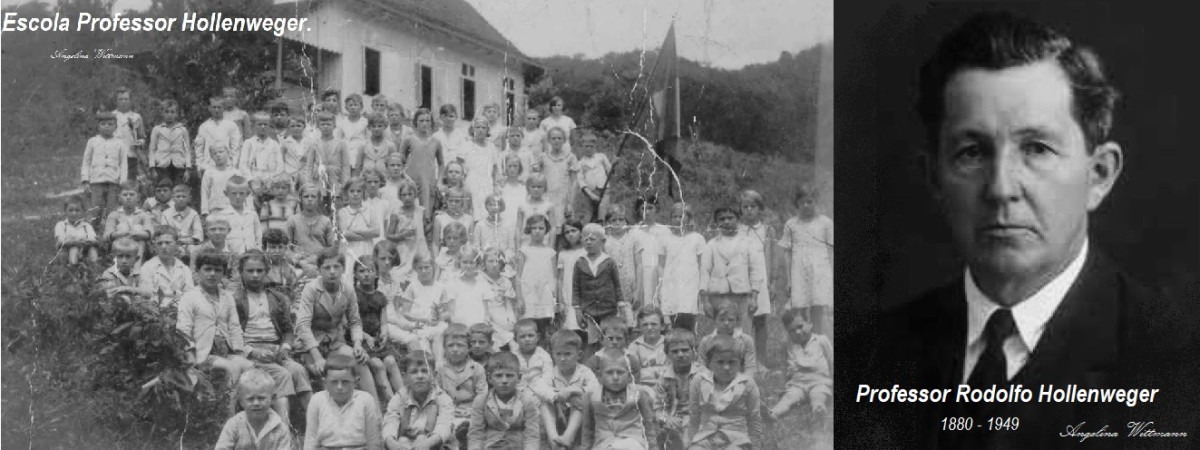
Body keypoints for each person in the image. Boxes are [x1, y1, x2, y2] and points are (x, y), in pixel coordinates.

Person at [868, 11, 1200, 447]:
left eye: (1037, 149)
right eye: (972, 152)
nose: (1001, 189)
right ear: (934, 179)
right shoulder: (863, 361)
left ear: (1098, 175)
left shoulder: (1182, 372)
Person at [233, 250, 308, 425]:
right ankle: (283, 430)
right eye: (250, 271)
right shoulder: (235, 300)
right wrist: (253, 351)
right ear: (241, 272)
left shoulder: (277, 298)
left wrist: (285, 348)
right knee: (283, 374)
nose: (255, 275)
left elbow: (288, 330)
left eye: (259, 270)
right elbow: (232, 333)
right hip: (250, 352)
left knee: (298, 370)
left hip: (275, 349)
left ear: (267, 271)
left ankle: (316, 424)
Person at [294, 249, 379, 401]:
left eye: (336, 267)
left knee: (360, 362)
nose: (332, 272)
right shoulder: (311, 289)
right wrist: (317, 357)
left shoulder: (347, 289)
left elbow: (355, 321)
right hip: (310, 347)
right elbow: (303, 326)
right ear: (319, 270)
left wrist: (357, 344)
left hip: (334, 343)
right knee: (323, 372)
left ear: (343, 269)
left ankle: (375, 411)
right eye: (327, 267)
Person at [177, 248, 256, 406]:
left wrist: (240, 352)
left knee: (252, 369)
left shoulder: (227, 297)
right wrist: (191, 360)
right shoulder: (190, 297)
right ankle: (227, 414)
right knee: (231, 369)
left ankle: (247, 412)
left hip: (226, 351)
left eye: (217, 270)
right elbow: (182, 331)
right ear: (198, 271)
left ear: (223, 274)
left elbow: (234, 327)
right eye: (207, 269)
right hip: (203, 353)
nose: (212, 274)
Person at [687, 334, 762, 450]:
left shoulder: (747, 384)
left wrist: (755, 446)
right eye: (720, 362)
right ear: (709, 363)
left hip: (737, 440)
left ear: (740, 363)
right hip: (705, 438)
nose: (726, 367)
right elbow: (694, 416)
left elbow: (754, 419)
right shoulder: (699, 381)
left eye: (732, 362)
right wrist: (690, 442)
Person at [699, 207, 764, 337]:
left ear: (738, 220)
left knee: (743, 334)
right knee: (720, 333)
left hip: (742, 295)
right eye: (722, 219)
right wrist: (705, 301)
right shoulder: (712, 244)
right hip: (718, 296)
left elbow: (755, 271)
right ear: (716, 223)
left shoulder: (748, 242)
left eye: (730, 218)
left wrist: (754, 297)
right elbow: (705, 272)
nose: (726, 221)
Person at [779, 187, 833, 336]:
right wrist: (789, 280)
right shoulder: (791, 224)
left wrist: (830, 273)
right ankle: (801, 341)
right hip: (799, 272)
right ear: (797, 204)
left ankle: (817, 340)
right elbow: (787, 253)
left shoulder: (825, 223)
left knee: (817, 308)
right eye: (802, 202)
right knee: (799, 308)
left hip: (819, 272)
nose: (806, 205)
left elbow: (831, 250)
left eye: (810, 202)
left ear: (816, 202)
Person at [532, 329, 598, 449]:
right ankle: (553, 439)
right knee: (544, 404)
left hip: (579, 418)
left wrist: (574, 390)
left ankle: (568, 436)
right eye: (558, 354)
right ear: (552, 354)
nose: (562, 358)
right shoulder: (551, 373)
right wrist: (556, 397)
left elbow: (595, 388)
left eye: (567, 354)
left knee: (578, 400)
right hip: (559, 414)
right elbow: (538, 387)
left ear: (579, 355)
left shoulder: (584, 372)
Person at [304, 353, 384, 450]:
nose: (339, 387)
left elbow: (373, 440)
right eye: (334, 382)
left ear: (356, 382)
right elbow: (311, 439)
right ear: (325, 382)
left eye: (345, 382)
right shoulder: (317, 400)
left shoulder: (365, 400)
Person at [581, 351, 659, 450]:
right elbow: (587, 429)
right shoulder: (591, 396)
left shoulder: (639, 394)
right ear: (600, 376)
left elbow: (649, 424)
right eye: (609, 372)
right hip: (604, 444)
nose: (615, 377)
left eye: (620, 372)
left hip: (632, 443)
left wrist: (653, 447)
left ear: (629, 376)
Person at [353, 255, 405, 401]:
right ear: (355, 274)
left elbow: (383, 322)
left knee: (391, 362)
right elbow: (351, 323)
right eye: (362, 271)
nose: (366, 274)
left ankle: (405, 399)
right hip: (361, 339)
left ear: (376, 274)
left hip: (377, 339)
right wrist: (366, 337)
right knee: (378, 365)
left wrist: (384, 333)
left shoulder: (380, 297)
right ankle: (392, 402)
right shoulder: (353, 296)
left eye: (370, 270)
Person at [468, 351, 542, 449]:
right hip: (491, 445)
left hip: (518, 445)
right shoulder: (481, 401)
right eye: (498, 376)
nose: (504, 381)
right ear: (489, 378)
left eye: (509, 375)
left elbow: (531, 435)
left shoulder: (527, 401)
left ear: (519, 377)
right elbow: (476, 434)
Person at [382, 349, 454, 450]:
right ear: (405, 376)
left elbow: (444, 425)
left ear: (434, 375)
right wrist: (391, 442)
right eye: (414, 372)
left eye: (425, 371)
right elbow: (391, 420)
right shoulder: (400, 397)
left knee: (422, 438)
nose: (420, 376)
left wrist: (428, 444)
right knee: (403, 440)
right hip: (404, 444)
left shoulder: (442, 398)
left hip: (433, 444)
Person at [767, 310, 831, 421]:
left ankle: (818, 408)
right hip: (797, 384)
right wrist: (785, 385)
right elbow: (784, 367)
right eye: (792, 331)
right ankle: (774, 413)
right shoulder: (788, 345)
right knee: (788, 397)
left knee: (818, 394)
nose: (797, 332)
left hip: (819, 382)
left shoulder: (821, 341)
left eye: (800, 327)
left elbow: (831, 360)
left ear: (809, 323)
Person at [736, 190, 775, 368]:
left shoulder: (767, 230)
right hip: (741, 279)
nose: (749, 210)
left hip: (761, 279)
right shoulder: (736, 229)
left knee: (760, 320)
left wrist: (771, 282)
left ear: (760, 208)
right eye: (745, 207)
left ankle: (761, 361)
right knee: (742, 321)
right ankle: (743, 360)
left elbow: (770, 256)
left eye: (753, 206)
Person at [389, 254, 449, 361]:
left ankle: (439, 365)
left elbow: (448, 312)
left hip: (435, 325)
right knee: (423, 346)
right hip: (418, 325)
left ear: (433, 267)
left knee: (438, 338)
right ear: (415, 269)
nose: (424, 271)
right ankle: (427, 364)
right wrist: (423, 319)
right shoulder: (413, 287)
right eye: (420, 268)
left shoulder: (440, 288)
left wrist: (438, 317)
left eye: (427, 267)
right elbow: (405, 313)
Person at [215, 369, 295, 450]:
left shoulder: (280, 428)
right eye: (250, 399)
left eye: (261, 398)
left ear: (272, 399)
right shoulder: (234, 425)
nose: (256, 403)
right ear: (241, 401)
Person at [572, 223, 623, 348]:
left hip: (608, 309)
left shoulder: (609, 261)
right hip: (589, 311)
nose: (588, 242)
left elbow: (617, 285)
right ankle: (595, 359)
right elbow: (576, 287)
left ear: (603, 241)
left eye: (592, 239)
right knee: (593, 341)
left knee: (609, 338)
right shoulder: (580, 262)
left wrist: (621, 306)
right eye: (586, 239)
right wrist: (577, 310)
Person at [438, 323, 489, 448]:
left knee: (475, 432)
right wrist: (448, 410)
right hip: (447, 412)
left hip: (470, 412)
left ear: (469, 347)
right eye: (450, 345)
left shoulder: (477, 368)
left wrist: (473, 411)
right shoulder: (439, 369)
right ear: (444, 347)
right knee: (445, 432)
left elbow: (482, 394)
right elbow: (437, 393)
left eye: (460, 345)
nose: (455, 349)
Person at [660, 203, 705, 332]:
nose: (677, 219)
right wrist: (660, 285)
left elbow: (702, 265)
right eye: (674, 216)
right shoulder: (665, 238)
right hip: (671, 285)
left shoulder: (697, 238)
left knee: (689, 317)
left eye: (681, 216)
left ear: (688, 218)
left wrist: (702, 286)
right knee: (671, 319)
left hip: (691, 285)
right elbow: (661, 265)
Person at [658, 328, 706, 450]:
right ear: (667, 354)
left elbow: (709, 405)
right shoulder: (664, 377)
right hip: (673, 419)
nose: (680, 354)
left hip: (697, 420)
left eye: (685, 350)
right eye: (675, 351)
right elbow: (656, 406)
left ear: (693, 351)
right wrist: (665, 417)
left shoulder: (703, 375)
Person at [80, 111, 129, 224]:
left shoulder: (120, 143)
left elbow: (123, 163)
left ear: (115, 126)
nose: (106, 126)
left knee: (112, 209)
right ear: (98, 126)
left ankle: (110, 229)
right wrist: (85, 180)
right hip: (96, 180)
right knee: (96, 208)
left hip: (113, 181)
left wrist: (122, 181)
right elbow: (86, 162)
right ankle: (94, 229)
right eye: (103, 124)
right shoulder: (92, 141)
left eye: (110, 124)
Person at [516, 214, 557, 340]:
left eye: (541, 228)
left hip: (545, 295)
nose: (537, 231)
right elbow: (518, 276)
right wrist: (519, 299)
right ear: (529, 229)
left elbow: (554, 277)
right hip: (529, 295)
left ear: (546, 230)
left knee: (544, 329)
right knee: (529, 327)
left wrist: (555, 299)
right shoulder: (524, 251)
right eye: (534, 228)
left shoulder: (550, 252)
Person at [400, 108, 445, 213]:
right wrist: (405, 176)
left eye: (427, 120)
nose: (424, 123)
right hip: (411, 181)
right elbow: (400, 161)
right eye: (421, 121)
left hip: (429, 182)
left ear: (431, 123)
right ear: (416, 122)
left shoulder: (436, 141)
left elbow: (441, 164)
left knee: (427, 211)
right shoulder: (408, 140)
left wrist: (439, 181)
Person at [138, 225, 195, 307]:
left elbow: (190, 296)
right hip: (156, 310)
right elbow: (147, 297)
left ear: (177, 244)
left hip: (181, 310)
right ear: (154, 246)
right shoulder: (147, 268)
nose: (163, 247)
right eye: (159, 243)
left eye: (168, 243)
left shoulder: (184, 269)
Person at [697, 301, 757, 377]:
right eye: (721, 319)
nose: (726, 323)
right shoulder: (706, 341)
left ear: (737, 321)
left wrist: (742, 381)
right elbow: (701, 366)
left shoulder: (746, 341)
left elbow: (750, 367)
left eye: (731, 320)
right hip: (711, 379)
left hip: (738, 379)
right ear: (715, 320)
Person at [386, 178, 429, 282]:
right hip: (403, 249)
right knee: (401, 274)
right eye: (404, 195)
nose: (407, 198)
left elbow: (426, 231)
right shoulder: (396, 213)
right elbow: (389, 235)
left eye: (410, 194)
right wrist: (401, 236)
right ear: (399, 196)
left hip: (419, 247)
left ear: (415, 195)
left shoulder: (421, 211)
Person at [480, 247, 521, 350]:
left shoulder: (505, 281)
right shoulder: (480, 279)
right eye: (490, 261)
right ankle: (509, 341)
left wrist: (511, 321)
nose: (494, 264)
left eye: (497, 262)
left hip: (500, 311)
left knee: (509, 326)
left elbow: (508, 305)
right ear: (484, 263)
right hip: (485, 311)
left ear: (502, 264)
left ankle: (503, 345)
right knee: (488, 324)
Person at [603, 205, 641, 311]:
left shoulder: (633, 239)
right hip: (611, 286)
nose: (617, 223)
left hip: (630, 286)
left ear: (626, 221)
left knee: (631, 315)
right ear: (608, 223)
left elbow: (639, 265)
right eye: (613, 220)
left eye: (621, 219)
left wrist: (638, 291)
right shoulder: (605, 241)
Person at [303, 111, 350, 198]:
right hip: (319, 180)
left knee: (335, 201)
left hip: (336, 179)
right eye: (323, 124)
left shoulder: (341, 143)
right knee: (321, 201)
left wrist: (345, 184)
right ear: (318, 126)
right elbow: (309, 165)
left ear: (334, 126)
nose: (325, 127)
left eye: (328, 124)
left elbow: (345, 166)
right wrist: (308, 183)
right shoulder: (314, 143)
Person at [147, 99, 193, 187]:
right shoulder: (157, 129)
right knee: (164, 188)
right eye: (167, 112)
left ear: (176, 114)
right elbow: (152, 150)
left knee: (178, 188)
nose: (169, 115)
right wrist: (152, 168)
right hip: (162, 165)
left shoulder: (182, 130)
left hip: (179, 165)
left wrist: (188, 169)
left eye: (172, 112)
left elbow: (187, 150)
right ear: (162, 113)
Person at [104, 181, 154, 260]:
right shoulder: (114, 215)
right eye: (125, 195)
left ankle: (136, 264)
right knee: (122, 227)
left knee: (138, 229)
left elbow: (150, 233)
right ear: (119, 198)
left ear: (138, 197)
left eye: (131, 194)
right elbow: (107, 235)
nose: (128, 197)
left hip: (138, 245)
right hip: (120, 243)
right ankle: (119, 264)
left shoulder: (143, 215)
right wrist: (120, 234)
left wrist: (135, 234)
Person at [238, 112, 284, 195]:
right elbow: (243, 165)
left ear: (269, 126)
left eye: (265, 124)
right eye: (259, 124)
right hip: (253, 182)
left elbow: (280, 166)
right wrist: (251, 181)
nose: (263, 127)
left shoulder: (274, 144)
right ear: (254, 126)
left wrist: (271, 180)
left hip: (271, 182)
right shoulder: (248, 143)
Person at [194, 96, 242, 175]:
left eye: (219, 107)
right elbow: (199, 149)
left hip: (227, 167)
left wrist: (234, 165)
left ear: (224, 108)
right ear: (210, 108)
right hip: (208, 167)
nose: (216, 110)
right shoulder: (204, 127)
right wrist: (200, 166)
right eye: (214, 107)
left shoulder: (231, 125)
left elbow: (235, 148)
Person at [462, 117, 498, 219]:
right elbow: (460, 167)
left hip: (487, 183)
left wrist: (495, 185)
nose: (480, 130)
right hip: (471, 183)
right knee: (472, 212)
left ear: (487, 130)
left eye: (483, 127)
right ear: (472, 129)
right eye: (477, 127)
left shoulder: (492, 147)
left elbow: (495, 169)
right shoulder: (466, 146)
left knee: (486, 211)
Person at [540, 127, 578, 224]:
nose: (556, 141)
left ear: (564, 140)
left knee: (563, 225)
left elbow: (574, 181)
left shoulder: (570, 157)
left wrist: (570, 203)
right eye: (553, 138)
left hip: (563, 198)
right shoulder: (543, 157)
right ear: (549, 140)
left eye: (559, 138)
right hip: (547, 197)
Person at [338, 177, 381, 260]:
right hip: (349, 251)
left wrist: (354, 230)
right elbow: (345, 234)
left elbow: (376, 232)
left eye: (359, 191)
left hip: (366, 249)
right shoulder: (343, 212)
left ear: (363, 192)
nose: (355, 194)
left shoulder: (370, 210)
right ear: (346, 193)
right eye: (352, 191)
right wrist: (368, 235)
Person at [628, 309, 671, 390]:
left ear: (662, 326)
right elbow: (634, 374)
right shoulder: (635, 346)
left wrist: (645, 371)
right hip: (643, 387)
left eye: (654, 324)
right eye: (645, 325)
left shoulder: (669, 343)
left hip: (667, 386)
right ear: (639, 327)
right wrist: (659, 372)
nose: (649, 327)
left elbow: (672, 370)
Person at [555, 220, 586, 332]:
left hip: (585, 295)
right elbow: (559, 279)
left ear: (581, 232)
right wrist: (560, 301)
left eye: (574, 230)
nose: (570, 234)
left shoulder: (587, 251)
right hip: (569, 295)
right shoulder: (563, 254)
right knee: (571, 329)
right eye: (567, 232)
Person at [575, 131, 611, 224]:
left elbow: (610, 171)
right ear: (582, 147)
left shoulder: (601, 157)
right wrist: (591, 195)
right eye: (586, 146)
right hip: (590, 192)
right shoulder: (580, 163)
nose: (589, 149)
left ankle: (601, 224)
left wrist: (614, 164)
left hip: (604, 189)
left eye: (591, 146)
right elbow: (581, 181)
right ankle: (586, 227)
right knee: (588, 213)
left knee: (602, 207)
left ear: (595, 146)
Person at [510, 318, 554, 393]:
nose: (527, 339)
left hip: (541, 391)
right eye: (522, 336)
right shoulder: (512, 356)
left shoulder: (544, 355)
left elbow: (548, 376)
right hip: (519, 392)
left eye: (530, 335)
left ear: (538, 337)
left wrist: (537, 390)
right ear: (515, 339)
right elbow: (511, 377)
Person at [514, 173, 558, 247]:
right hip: (526, 244)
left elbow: (553, 228)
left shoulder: (549, 206)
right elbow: (518, 228)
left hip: (544, 244)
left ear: (544, 189)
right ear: (528, 188)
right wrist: (518, 248)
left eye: (539, 187)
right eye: (533, 187)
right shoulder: (522, 206)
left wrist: (551, 247)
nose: (536, 189)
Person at [98, 237, 148, 301]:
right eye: (120, 256)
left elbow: (149, 293)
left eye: (128, 257)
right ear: (114, 257)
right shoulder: (109, 274)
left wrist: (128, 289)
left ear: (136, 259)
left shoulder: (139, 273)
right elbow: (108, 295)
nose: (124, 261)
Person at [55, 195, 100, 265]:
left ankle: (94, 265)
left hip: (84, 250)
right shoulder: (61, 225)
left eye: (77, 210)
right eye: (70, 210)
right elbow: (61, 241)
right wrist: (75, 242)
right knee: (74, 249)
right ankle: (73, 267)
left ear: (83, 212)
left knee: (92, 249)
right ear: (65, 211)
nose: (74, 213)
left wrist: (87, 242)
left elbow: (93, 239)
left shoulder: (86, 226)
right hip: (67, 251)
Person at [160, 185, 203, 257]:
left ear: (189, 198)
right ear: (173, 198)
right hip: (172, 243)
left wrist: (187, 241)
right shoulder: (166, 214)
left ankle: (191, 264)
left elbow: (199, 234)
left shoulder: (193, 214)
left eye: (184, 196)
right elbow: (164, 232)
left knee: (193, 250)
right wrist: (175, 243)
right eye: (178, 196)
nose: (181, 199)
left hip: (189, 244)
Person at [472, 195, 517, 261]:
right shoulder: (479, 225)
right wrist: (486, 259)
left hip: (504, 261)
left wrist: (503, 259)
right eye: (490, 205)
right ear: (486, 207)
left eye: (496, 205)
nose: (493, 208)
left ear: (501, 207)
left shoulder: (508, 225)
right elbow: (476, 248)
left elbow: (511, 248)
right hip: (485, 261)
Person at [337, 94, 370, 177]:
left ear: (361, 107)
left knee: (358, 178)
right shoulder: (342, 123)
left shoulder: (365, 122)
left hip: (360, 154)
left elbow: (369, 140)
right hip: (346, 154)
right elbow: (338, 140)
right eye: (350, 105)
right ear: (346, 108)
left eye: (356, 105)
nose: (353, 107)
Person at [200, 146, 239, 215]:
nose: (218, 155)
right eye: (214, 153)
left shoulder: (235, 173)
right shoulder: (209, 173)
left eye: (221, 152)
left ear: (228, 153)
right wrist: (205, 210)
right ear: (211, 157)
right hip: (215, 210)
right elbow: (205, 193)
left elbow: (243, 191)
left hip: (233, 210)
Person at [362, 112, 398, 176]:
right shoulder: (363, 145)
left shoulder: (390, 145)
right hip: (367, 178)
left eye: (380, 126)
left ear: (385, 127)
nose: (377, 129)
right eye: (374, 126)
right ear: (369, 127)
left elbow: (395, 164)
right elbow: (358, 166)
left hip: (384, 177)